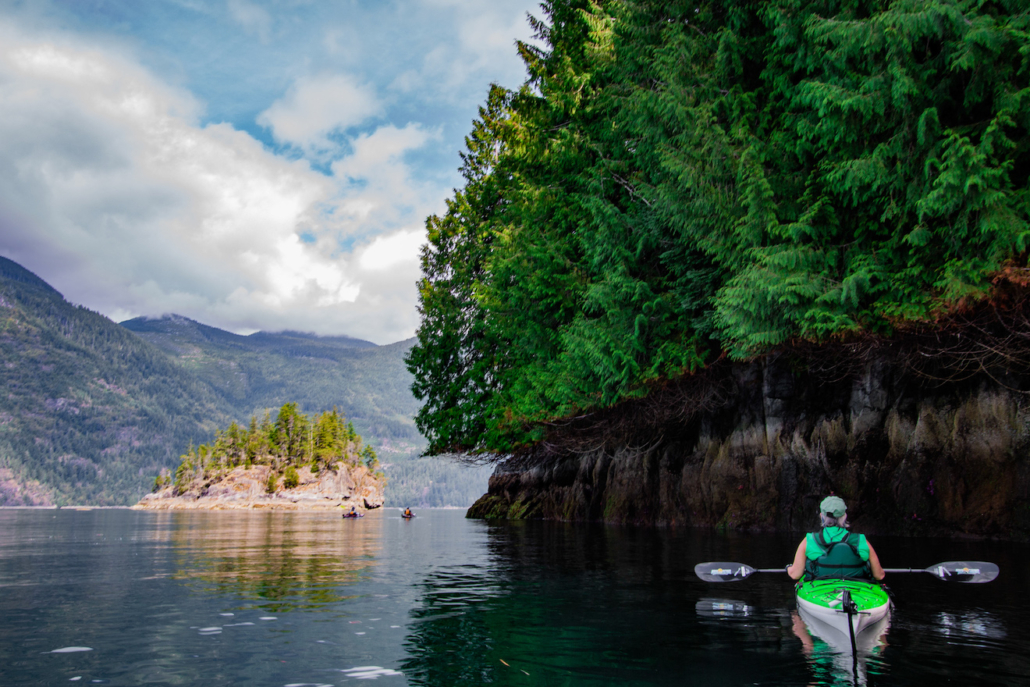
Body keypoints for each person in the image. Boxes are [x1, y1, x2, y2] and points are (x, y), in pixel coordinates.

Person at [787, 496, 885, 582]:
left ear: (822, 516)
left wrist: (788, 568)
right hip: (856, 589)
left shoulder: (809, 540)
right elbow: (879, 575)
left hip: (820, 592)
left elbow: (795, 574)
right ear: (844, 516)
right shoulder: (861, 540)